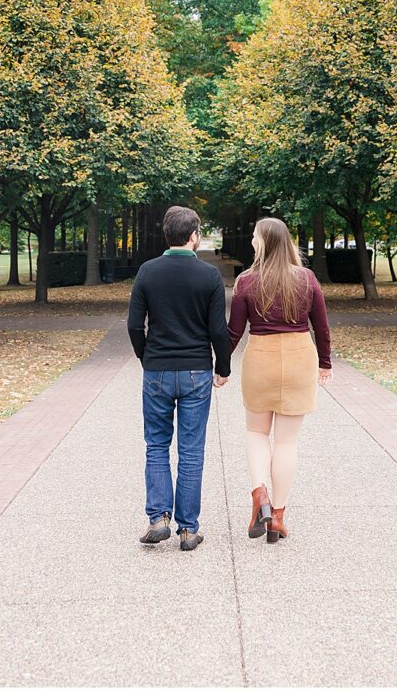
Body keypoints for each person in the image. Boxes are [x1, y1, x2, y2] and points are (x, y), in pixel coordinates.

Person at [126, 205, 231, 550]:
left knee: (156, 444)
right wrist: (223, 367)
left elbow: (134, 325)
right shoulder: (208, 276)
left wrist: (146, 357)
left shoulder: (147, 271)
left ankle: (158, 518)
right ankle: (188, 529)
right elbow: (218, 330)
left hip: (157, 368)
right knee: (191, 449)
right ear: (194, 236)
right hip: (196, 370)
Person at [228, 216, 332, 543]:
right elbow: (321, 326)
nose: (252, 241)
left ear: (264, 242)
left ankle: (260, 494)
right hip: (300, 356)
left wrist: (219, 365)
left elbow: (234, 332)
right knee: (287, 442)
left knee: (256, 433)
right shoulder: (306, 278)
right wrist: (325, 363)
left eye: (255, 236)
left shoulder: (246, 281)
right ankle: (278, 516)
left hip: (260, 357)